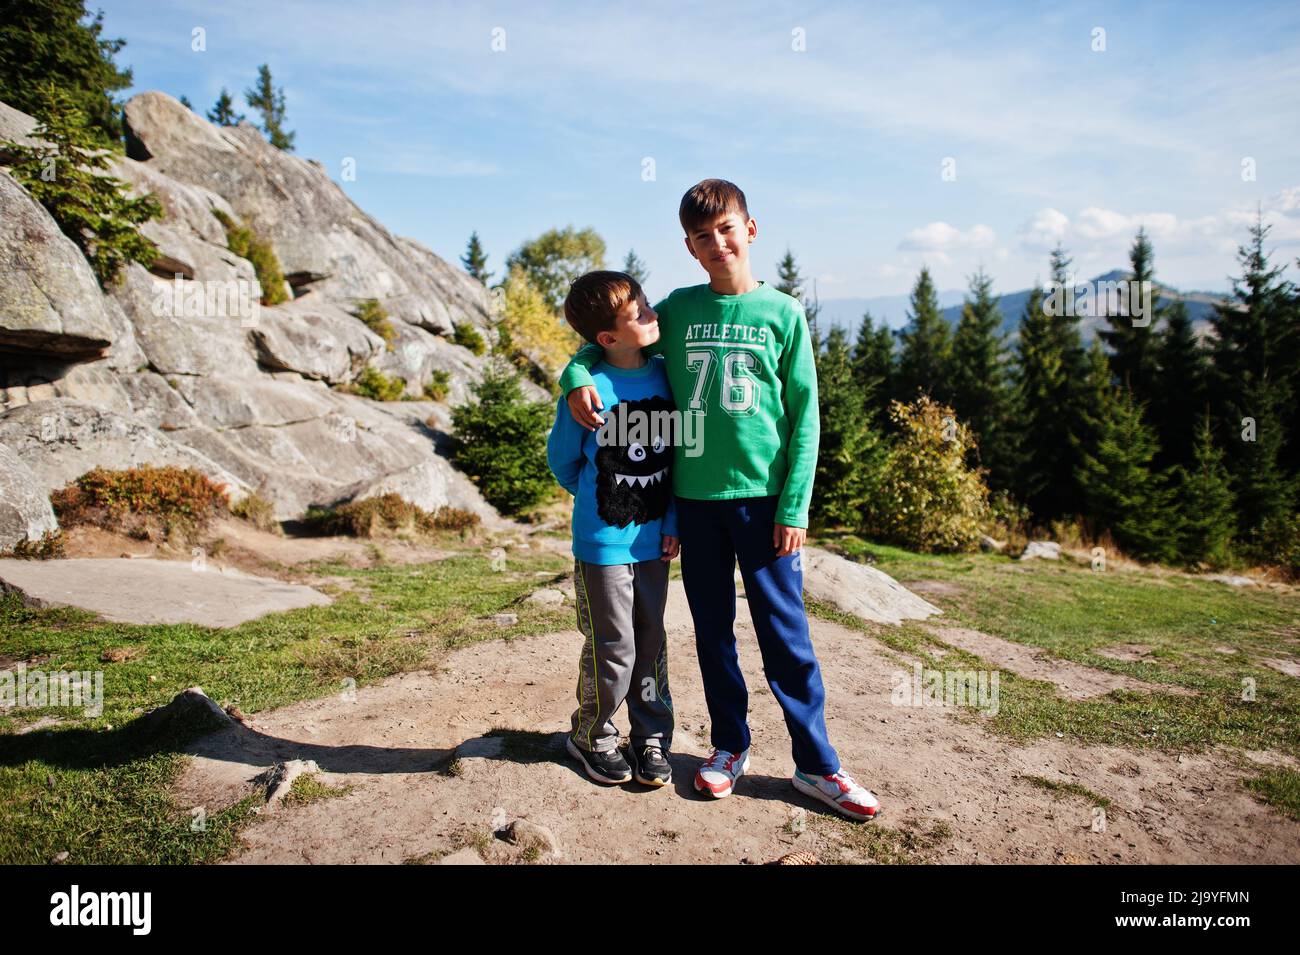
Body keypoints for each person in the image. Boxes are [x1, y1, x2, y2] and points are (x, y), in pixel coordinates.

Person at [557, 180, 881, 820]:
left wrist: (795, 506)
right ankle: (729, 748)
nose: (717, 243)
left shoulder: (784, 314)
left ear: (750, 229)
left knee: (785, 636)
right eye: (702, 236)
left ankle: (817, 766)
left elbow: (805, 419)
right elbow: (605, 344)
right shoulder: (675, 310)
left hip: (763, 505)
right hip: (694, 506)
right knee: (712, 633)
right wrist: (573, 378)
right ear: (689, 246)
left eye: (727, 229)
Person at [547, 270, 680, 787]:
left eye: (646, 304)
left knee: (651, 641)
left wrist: (670, 518)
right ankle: (592, 736)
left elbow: (681, 456)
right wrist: (600, 499)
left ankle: (650, 737)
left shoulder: (669, 377)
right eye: (639, 314)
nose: (652, 315)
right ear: (607, 338)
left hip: (656, 541)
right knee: (612, 643)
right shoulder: (586, 391)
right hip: (603, 543)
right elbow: (562, 462)